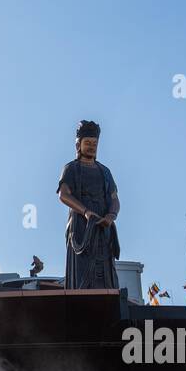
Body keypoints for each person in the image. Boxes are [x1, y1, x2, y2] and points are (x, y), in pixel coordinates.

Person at [57, 119, 120, 289]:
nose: (92, 146)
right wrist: (85, 212)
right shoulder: (71, 168)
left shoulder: (104, 171)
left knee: (105, 270)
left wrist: (111, 216)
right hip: (81, 227)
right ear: (78, 145)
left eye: (94, 143)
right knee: (82, 271)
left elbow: (114, 198)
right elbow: (64, 195)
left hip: (103, 226)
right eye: (87, 143)